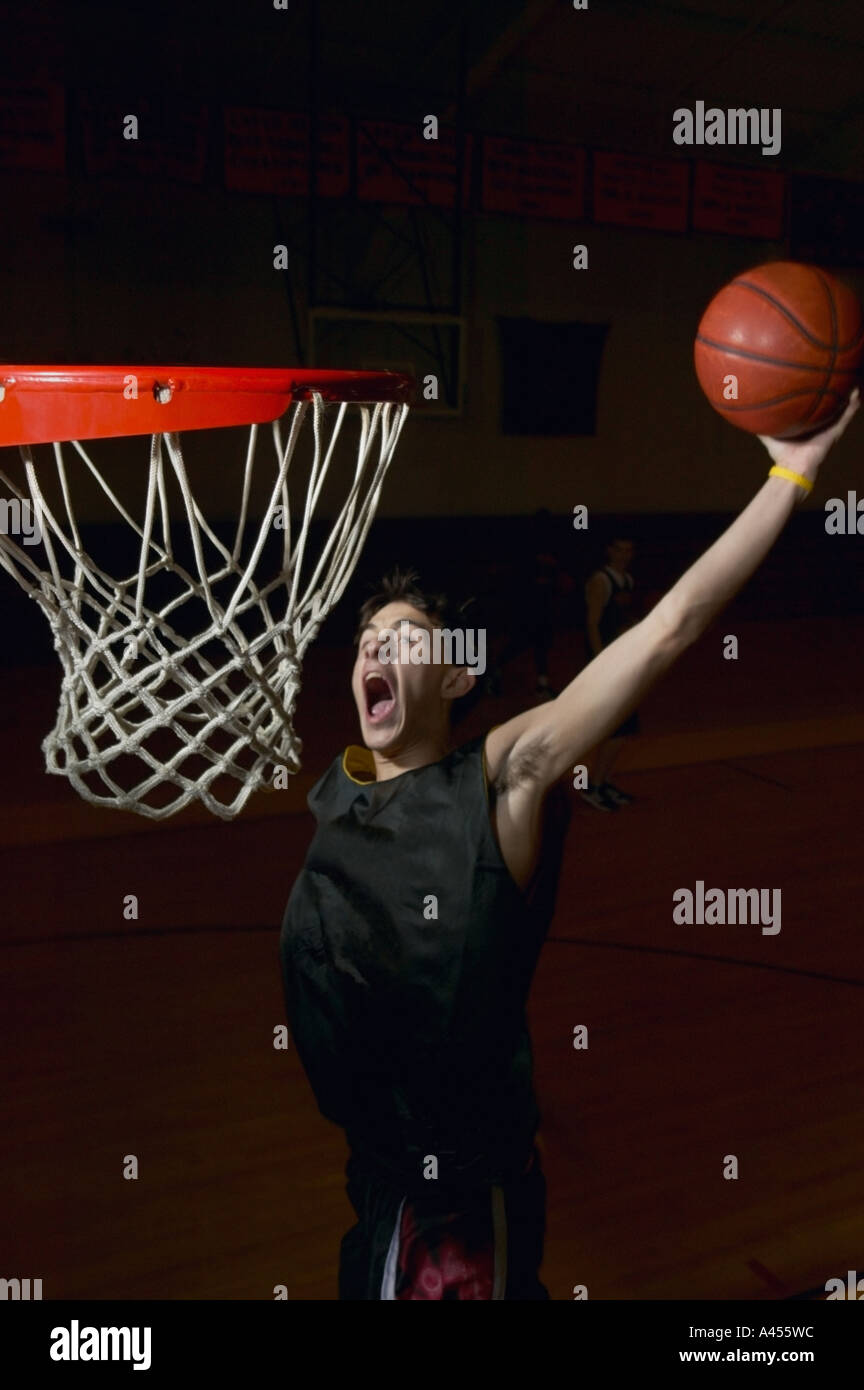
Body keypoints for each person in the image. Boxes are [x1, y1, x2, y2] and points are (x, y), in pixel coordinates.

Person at [278, 390, 858, 1300]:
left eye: (403, 638)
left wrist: (791, 475)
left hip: (462, 1202)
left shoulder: (497, 785)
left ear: (459, 674)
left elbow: (670, 629)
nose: (373, 651)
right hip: (381, 1187)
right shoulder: (340, 791)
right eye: (365, 640)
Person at [581, 535, 639, 811]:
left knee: (622, 727)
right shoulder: (601, 581)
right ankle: (592, 786)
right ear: (609, 550)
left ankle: (602, 783)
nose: (625, 554)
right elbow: (591, 623)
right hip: (605, 664)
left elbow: (623, 620)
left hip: (622, 660)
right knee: (618, 726)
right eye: (620, 548)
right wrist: (599, 662)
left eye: (629, 549)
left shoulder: (627, 580)